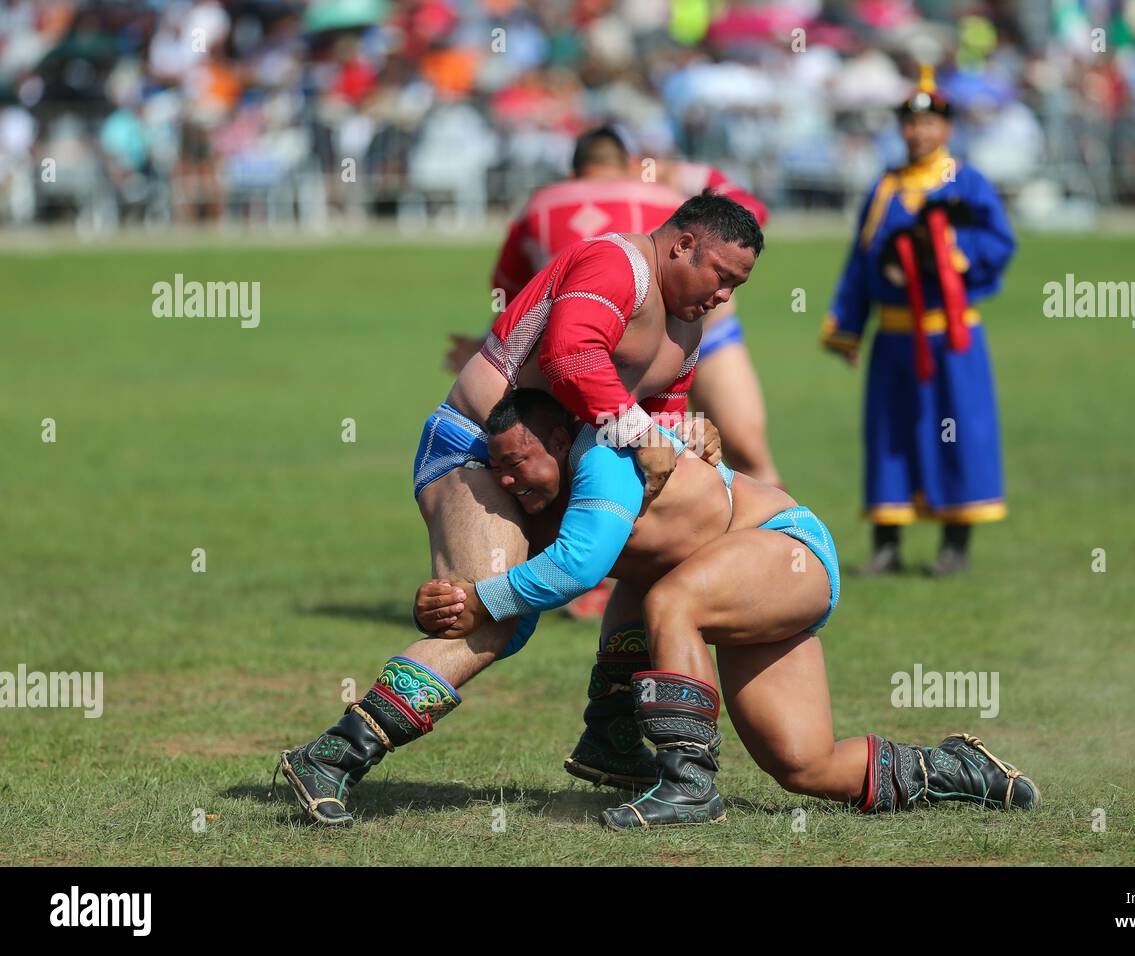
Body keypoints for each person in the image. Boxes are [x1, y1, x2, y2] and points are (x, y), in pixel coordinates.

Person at [273, 193, 763, 827]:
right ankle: (333, 754)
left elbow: (661, 410)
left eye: (736, 285)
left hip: (557, 466)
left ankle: (610, 733)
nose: (723, 294)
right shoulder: (618, 265)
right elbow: (570, 356)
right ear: (682, 245)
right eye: (719, 275)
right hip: (478, 451)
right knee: (494, 618)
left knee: (656, 559)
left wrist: (687, 435)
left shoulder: (685, 323)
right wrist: (641, 433)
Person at [416, 389, 1040, 828]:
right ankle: (959, 770)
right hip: (742, 584)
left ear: (559, 437)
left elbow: (576, 569)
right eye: (494, 469)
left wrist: (480, 598)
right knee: (805, 764)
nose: (505, 481)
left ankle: (689, 787)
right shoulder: (540, 492)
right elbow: (529, 598)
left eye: (516, 462)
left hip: (786, 551)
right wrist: (450, 605)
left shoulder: (602, 458)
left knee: (670, 598)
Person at [447, 126, 783, 488]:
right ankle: (773, 525)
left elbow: (512, 294)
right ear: (629, 166)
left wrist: (485, 344)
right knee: (746, 459)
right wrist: (679, 172)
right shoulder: (666, 197)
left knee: (573, 472)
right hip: (696, 336)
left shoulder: (539, 206)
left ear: (572, 174)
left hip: (605, 357)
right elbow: (749, 217)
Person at [822, 68, 1016, 576]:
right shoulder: (884, 188)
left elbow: (1000, 243)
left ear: (946, 129)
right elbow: (860, 264)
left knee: (959, 432)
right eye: (911, 124)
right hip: (895, 335)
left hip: (951, 335)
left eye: (930, 123)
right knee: (890, 434)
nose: (920, 133)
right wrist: (848, 327)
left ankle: (956, 543)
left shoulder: (966, 182)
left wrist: (951, 250)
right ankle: (887, 544)